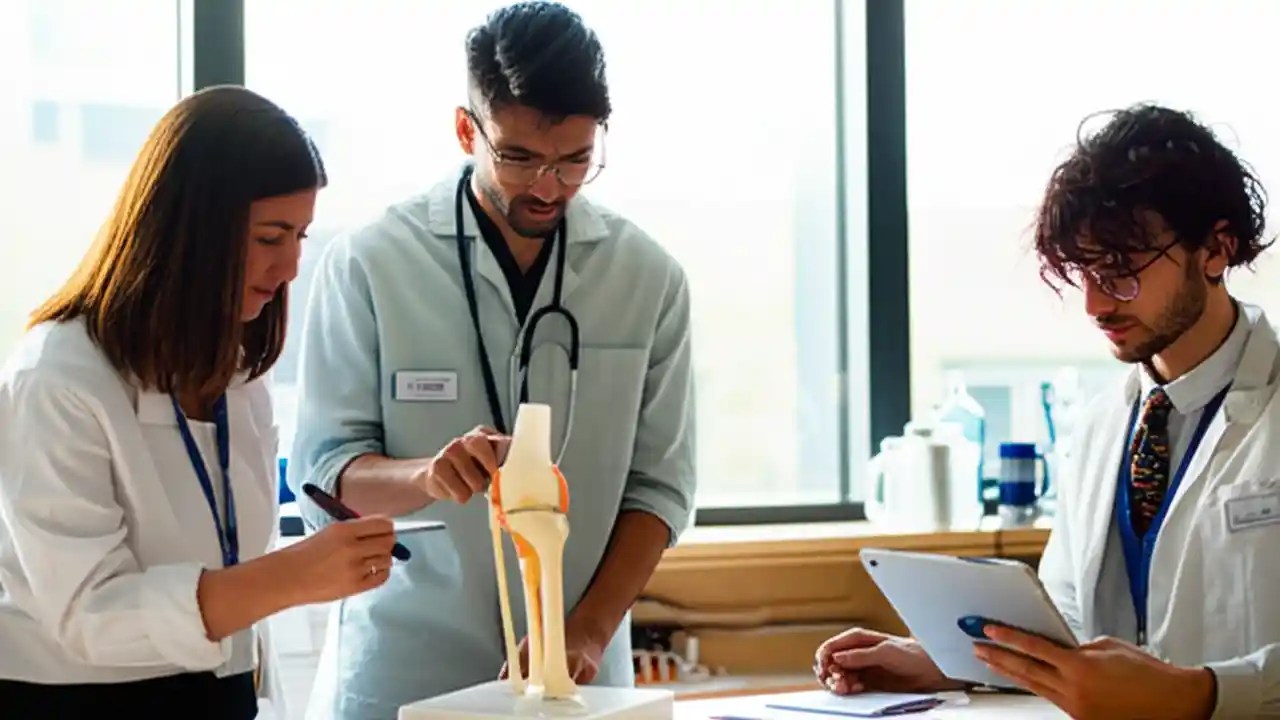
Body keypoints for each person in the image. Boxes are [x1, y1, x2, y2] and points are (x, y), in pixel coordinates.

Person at [289, 2, 697, 717]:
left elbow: (659, 489)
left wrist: (588, 631)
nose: (547, 187)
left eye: (575, 160)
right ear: (465, 130)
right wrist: (426, 474)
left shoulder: (647, 278)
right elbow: (326, 477)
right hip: (407, 678)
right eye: (519, 157)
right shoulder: (371, 265)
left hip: (580, 681)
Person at [815, 104, 1280, 719]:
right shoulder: (1102, 426)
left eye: (1120, 271)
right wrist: (948, 658)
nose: (1094, 305)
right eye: (1083, 272)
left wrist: (1200, 694)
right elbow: (1073, 630)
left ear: (1216, 249)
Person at [0, 85, 400, 719]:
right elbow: (88, 614)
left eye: (300, 236)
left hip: (217, 693)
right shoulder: (57, 378)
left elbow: (230, 564)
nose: (292, 267)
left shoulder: (237, 373)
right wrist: (292, 577)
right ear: (189, 232)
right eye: (271, 237)